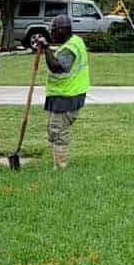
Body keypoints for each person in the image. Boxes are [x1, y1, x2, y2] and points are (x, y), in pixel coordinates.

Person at [36, 13, 89, 169]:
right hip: (66, 95)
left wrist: (46, 48)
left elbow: (57, 67)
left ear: (62, 30)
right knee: (55, 129)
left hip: (67, 96)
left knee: (59, 130)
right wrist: (47, 47)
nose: (51, 33)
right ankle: (57, 164)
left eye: (53, 30)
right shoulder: (75, 41)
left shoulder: (69, 49)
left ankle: (61, 167)